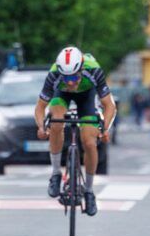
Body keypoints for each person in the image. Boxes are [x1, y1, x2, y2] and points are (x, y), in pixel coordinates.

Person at [34, 46, 116, 217]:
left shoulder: (93, 69)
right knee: (56, 122)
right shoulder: (55, 74)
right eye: (67, 77)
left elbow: (109, 106)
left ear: (82, 68)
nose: (70, 82)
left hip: (87, 97)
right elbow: (40, 107)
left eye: (74, 76)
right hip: (61, 95)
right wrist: (41, 127)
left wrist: (105, 128)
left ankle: (89, 191)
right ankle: (56, 173)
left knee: (89, 141)